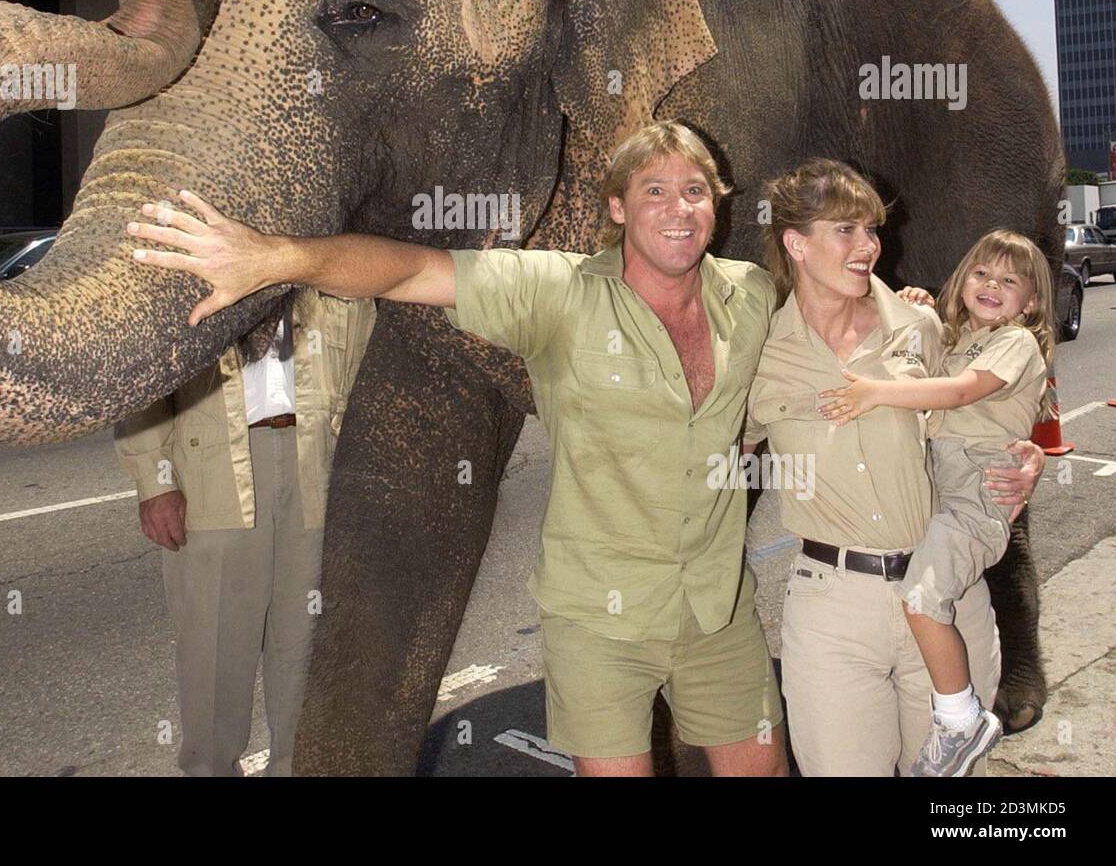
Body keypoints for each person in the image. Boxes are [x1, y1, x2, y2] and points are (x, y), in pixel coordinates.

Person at [124, 122, 787, 777]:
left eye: (695, 190)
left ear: (718, 201)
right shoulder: (559, 293)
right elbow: (410, 271)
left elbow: (813, 344)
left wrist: (891, 312)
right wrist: (278, 257)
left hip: (717, 607)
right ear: (618, 206)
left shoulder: (749, 295)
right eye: (655, 191)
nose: (679, 209)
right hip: (602, 620)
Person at [744, 160, 1044, 777]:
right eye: (846, 231)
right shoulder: (761, 347)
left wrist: (1028, 455)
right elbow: (725, 455)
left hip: (945, 595)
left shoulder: (923, 325)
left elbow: (978, 410)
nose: (868, 247)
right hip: (833, 609)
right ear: (796, 243)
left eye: (872, 230)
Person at [816, 229, 1051, 776]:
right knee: (922, 592)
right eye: (981, 274)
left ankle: (959, 716)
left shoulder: (1015, 342)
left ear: (1032, 302)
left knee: (922, 597)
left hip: (976, 487)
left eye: (1009, 281)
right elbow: (926, 357)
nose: (992, 286)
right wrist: (914, 305)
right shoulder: (959, 334)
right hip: (943, 482)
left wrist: (873, 393)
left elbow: (961, 391)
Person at [115, 282, 375, 776]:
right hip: (212, 472)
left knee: (307, 654)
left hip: (318, 462)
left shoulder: (330, 254)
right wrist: (155, 480)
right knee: (213, 657)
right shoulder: (193, 262)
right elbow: (142, 377)